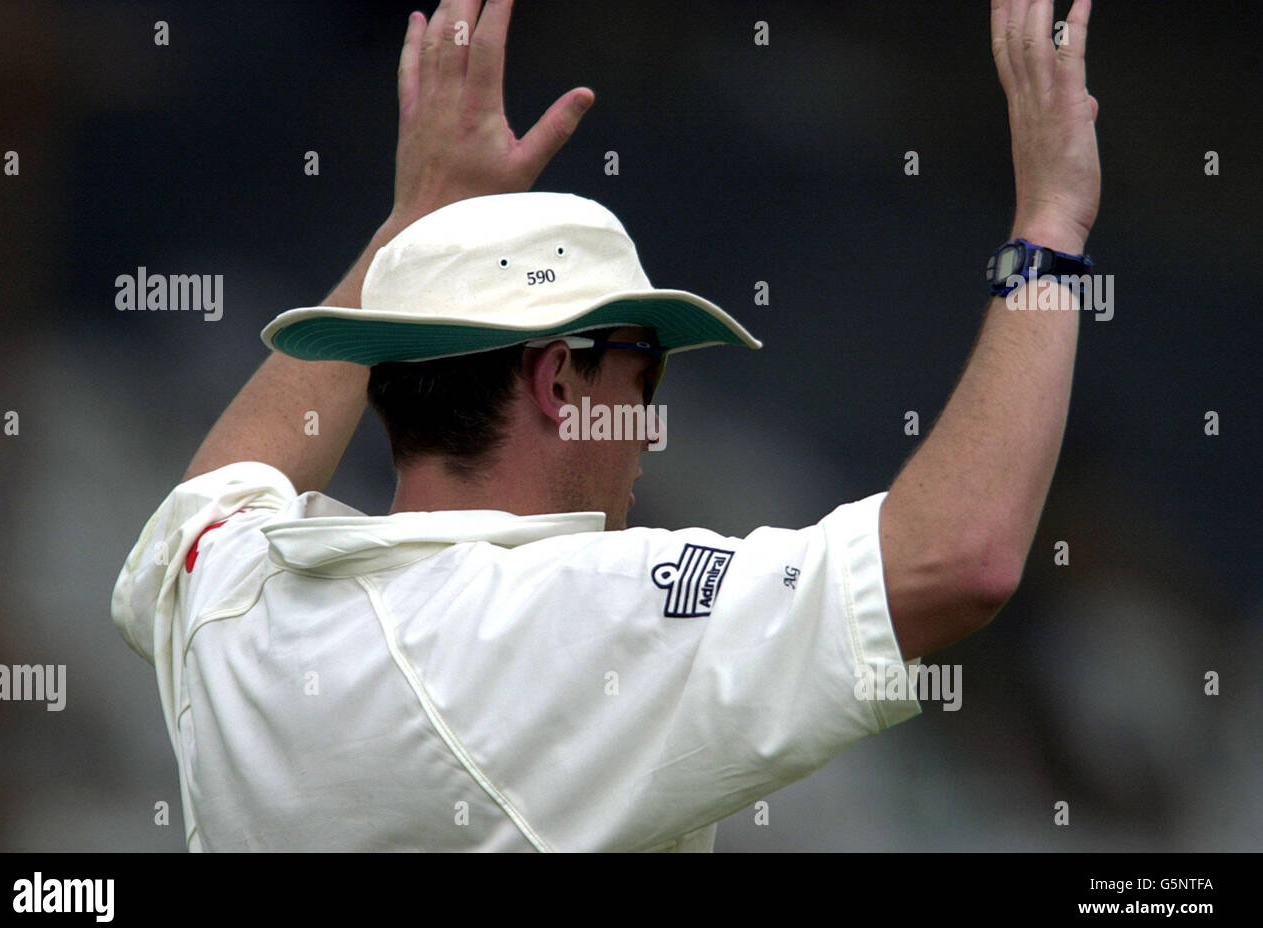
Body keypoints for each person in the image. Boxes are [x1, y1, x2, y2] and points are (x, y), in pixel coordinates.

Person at [112, 0, 1100, 852]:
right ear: (556, 382)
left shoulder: (238, 603)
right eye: (645, 372)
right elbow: (957, 560)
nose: (647, 425)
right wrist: (1048, 235)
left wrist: (417, 223)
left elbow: (213, 494)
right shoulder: (572, 616)